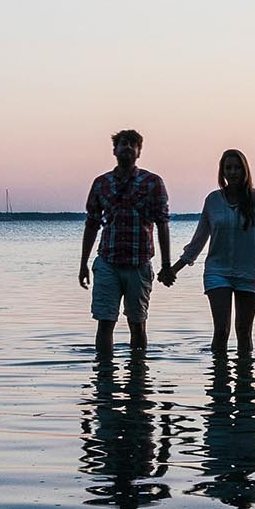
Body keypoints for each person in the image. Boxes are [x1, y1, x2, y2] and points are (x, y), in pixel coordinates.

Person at [162, 149, 255, 354]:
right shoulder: (213, 200)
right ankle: (218, 381)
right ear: (222, 171)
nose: (233, 172)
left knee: (244, 331)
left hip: (248, 273)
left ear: (245, 170)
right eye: (228, 168)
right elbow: (198, 240)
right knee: (221, 330)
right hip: (217, 272)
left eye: (237, 168)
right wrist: (173, 269)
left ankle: (245, 381)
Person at [80, 129, 171, 353]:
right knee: (105, 322)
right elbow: (91, 224)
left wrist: (166, 265)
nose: (127, 148)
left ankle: (138, 378)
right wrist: (83, 264)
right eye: (123, 144)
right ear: (114, 150)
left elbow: (162, 224)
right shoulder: (101, 183)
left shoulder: (153, 183)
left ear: (139, 151)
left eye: (133, 144)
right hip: (108, 262)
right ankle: (104, 378)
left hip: (138, 264)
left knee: (138, 324)